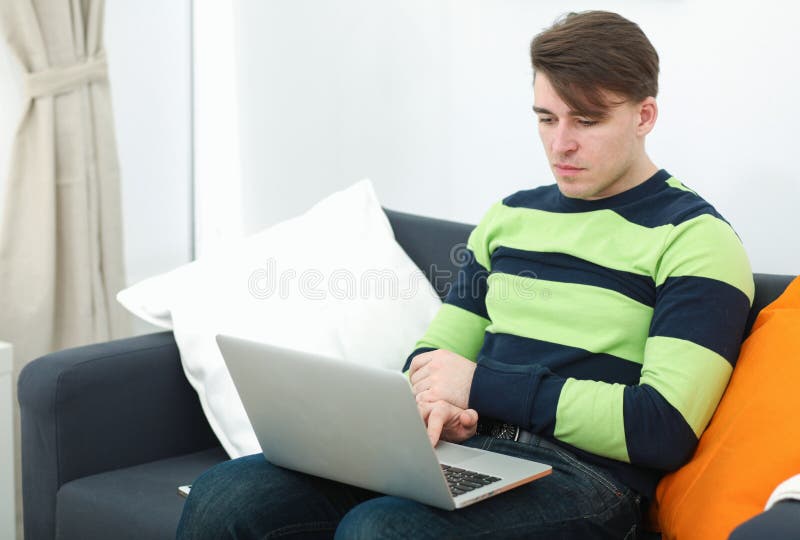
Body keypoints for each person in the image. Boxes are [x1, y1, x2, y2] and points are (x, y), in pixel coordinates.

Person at [177, 10, 754, 539]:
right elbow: (433, 359)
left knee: (383, 530)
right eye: (546, 118)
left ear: (644, 115)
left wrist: (479, 387)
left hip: (587, 480)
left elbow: (662, 427)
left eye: (587, 120)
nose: (561, 144)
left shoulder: (697, 240)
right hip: (466, 450)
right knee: (226, 494)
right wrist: (435, 406)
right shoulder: (510, 218)